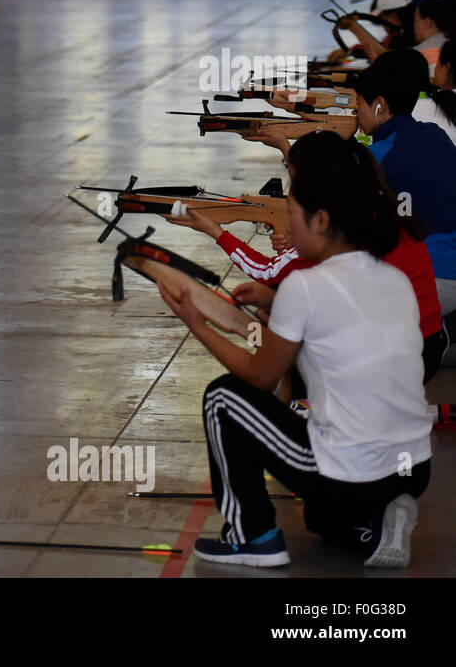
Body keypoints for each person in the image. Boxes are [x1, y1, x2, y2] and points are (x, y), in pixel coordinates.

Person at [158, 133, 433, 568]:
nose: (287, 228)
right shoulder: (390, 277)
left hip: (352, 468)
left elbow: (260, 377)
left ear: (321, 220)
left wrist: (196, 323)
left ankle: (252, 536)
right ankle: (380, 519)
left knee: (223, 398)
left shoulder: (305, 286)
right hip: (412, 467)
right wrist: (273, 300)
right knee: (323, 520)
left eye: (293, 215)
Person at [164, 133, 446, 384]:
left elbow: (260, 371)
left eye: (293, 208)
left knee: (234, 378)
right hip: (422, 349)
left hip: (392, 369)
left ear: (320, 218)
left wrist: (199, 322)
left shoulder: (325, 261)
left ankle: (294, 407)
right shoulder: (373, 214)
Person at [352, 50, 456, 316]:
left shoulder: (378, 156)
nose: (355, 115)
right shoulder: (435, 134)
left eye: (358, 106)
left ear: (380, 105)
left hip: (432, 276)